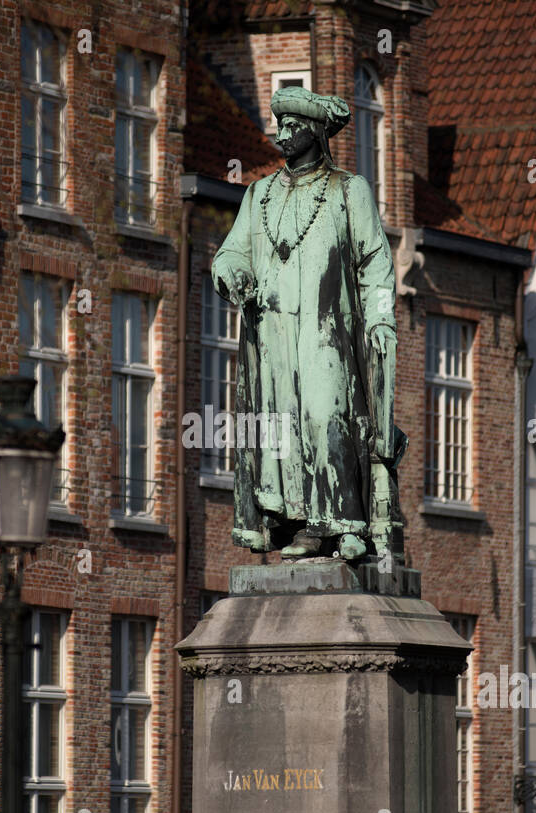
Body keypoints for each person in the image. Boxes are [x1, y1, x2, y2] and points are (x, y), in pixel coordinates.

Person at [211, 85, 402, 560]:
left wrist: (380, 318)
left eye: (294, 125)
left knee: (326, 414)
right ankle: (299, 524)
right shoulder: (258, 195)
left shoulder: (347, 191)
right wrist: (234, 275)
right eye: (281, 124)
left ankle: (345, 523)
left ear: (316, 132)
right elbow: (230, 253)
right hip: (272, 335)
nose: (284, 133)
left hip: (326, 332)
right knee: (282, 428)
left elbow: (375, 263)